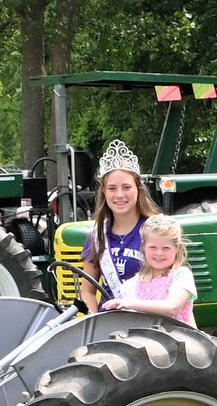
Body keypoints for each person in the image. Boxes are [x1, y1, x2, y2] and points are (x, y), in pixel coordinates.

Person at [77, 138, 160, 312]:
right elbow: (88, 291)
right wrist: (92, 323)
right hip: (107, 325)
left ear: (138, 189)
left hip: (148, 323)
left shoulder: (156, 229)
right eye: (112, 188)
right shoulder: (97, 235)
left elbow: (173, 284)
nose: (119, 195)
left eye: (126, 187)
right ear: (104, 193)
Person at [103, 215, 197, 326]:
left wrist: (129, 304)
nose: (159, 253)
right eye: (153, 247)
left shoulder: (182, 275)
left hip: (179, 338)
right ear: (144, 247)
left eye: (166, 248)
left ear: (177, 248)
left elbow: (171, 308)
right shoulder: (133, 284)